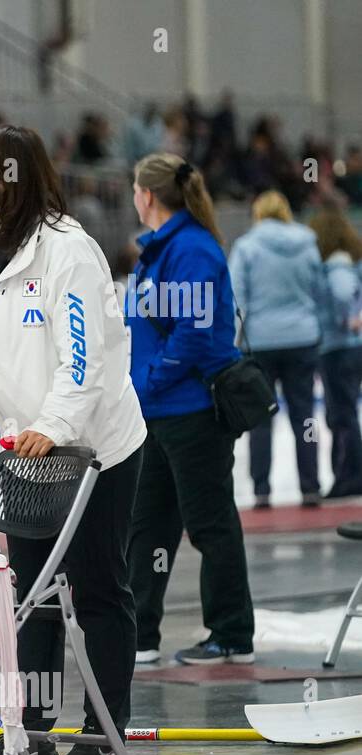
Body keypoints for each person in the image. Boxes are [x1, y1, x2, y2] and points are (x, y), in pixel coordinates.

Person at [0, 125, 146, 755]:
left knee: (99, 589)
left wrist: (54, 423)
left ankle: (105, 736)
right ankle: (28, 731)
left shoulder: (68, 253)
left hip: (95, 448)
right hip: (30, 453)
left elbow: (86, 358)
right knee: (31, 593)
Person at [125, 153, 257, 665]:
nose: (134, 197)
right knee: (147, 526)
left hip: (192, 412)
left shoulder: (192, 250)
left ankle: (232, 633)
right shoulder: (157, 252)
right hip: (158, 413)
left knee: (209, 522)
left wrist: (152, 380)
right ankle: (140, 636)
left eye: (136, 189)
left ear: (149, 195)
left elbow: (196, 335)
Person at [228, 190, 325, 508]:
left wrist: (236, 342)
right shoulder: (308, 245)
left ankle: (261, 490)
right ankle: (310, 487)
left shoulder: (246, 248)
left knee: (261, 418)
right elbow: (320, 291)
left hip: (262, 343)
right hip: (302, 338)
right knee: (305, 417)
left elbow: (237, 298)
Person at [309, 208, 362, 499]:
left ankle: (350, 477)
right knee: (345, 412)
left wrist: (347, 317)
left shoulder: (335, 265)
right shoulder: (352, 261)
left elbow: (344, 293)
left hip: (337, 347)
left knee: (341, 414)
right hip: (351, 346)